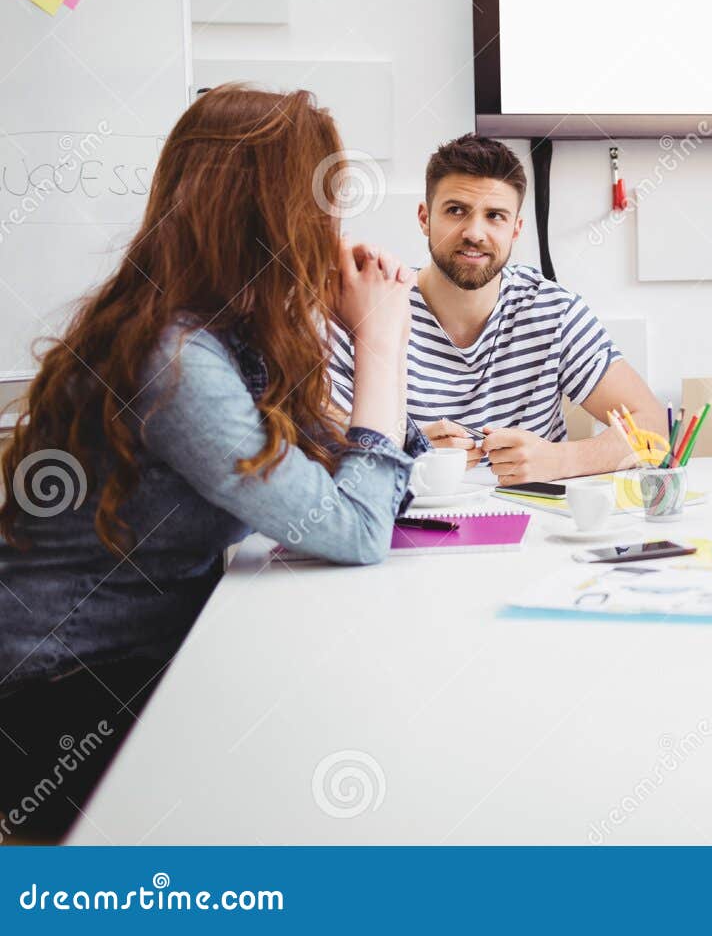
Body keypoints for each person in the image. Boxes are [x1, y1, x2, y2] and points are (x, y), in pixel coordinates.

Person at [0, 85, 419, 841]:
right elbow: (357, 526)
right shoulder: (178, 359)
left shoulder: (225, 337)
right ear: (269, 218)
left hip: (138, 660)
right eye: (319, 206)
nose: (333, 231)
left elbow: (361, 474)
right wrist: (381, 342)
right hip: (60, 699)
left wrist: (363, 330)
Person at [327, 134, 665, 484]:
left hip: (539, 529)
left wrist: (562, 459)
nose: (475, 233)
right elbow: (311, 450)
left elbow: (653, 427)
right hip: (410, 530)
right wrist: (409, 447)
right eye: (456, 210)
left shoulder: (553, 311)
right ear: (425, 218)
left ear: (516, 229)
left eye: (495, 216)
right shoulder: (369, 309)